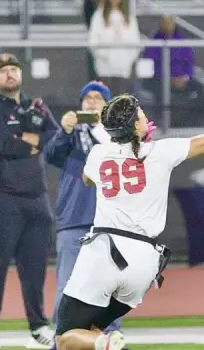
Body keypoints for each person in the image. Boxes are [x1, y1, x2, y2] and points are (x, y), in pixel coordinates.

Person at [54, 67, 204, 350]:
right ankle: (105, 342)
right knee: (91, 331)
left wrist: (124, 143)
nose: (146, 117)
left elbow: (88, 178)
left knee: (65, 338)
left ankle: (107, 344)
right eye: (140, 116)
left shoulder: (99, 152)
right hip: (144, 262)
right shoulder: (161, 151)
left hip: (105, 252)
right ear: (134, 126)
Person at [0, 53, 59, 350]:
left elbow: (54, 138)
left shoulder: (34, 105)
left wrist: (30, 137)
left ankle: (38, 328)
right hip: (2, 197)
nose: (9, 74)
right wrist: (32, 138)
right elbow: (8, 146)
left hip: (37, 197)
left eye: (14, 69)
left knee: (35, 269)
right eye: (3, 70)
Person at [44, 81, 130, 346]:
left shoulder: (117, 136)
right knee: (67, 285)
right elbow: (51, 155)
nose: (91, 102)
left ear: (107, 106)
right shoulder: (70, 134)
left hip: (109, 223)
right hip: (73, 220)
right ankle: (63, 338)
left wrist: (96, 127)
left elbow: (122, 156)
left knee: (110, 284)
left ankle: (108, 337)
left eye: (98, 98)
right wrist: (64, 131)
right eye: (86, 98)